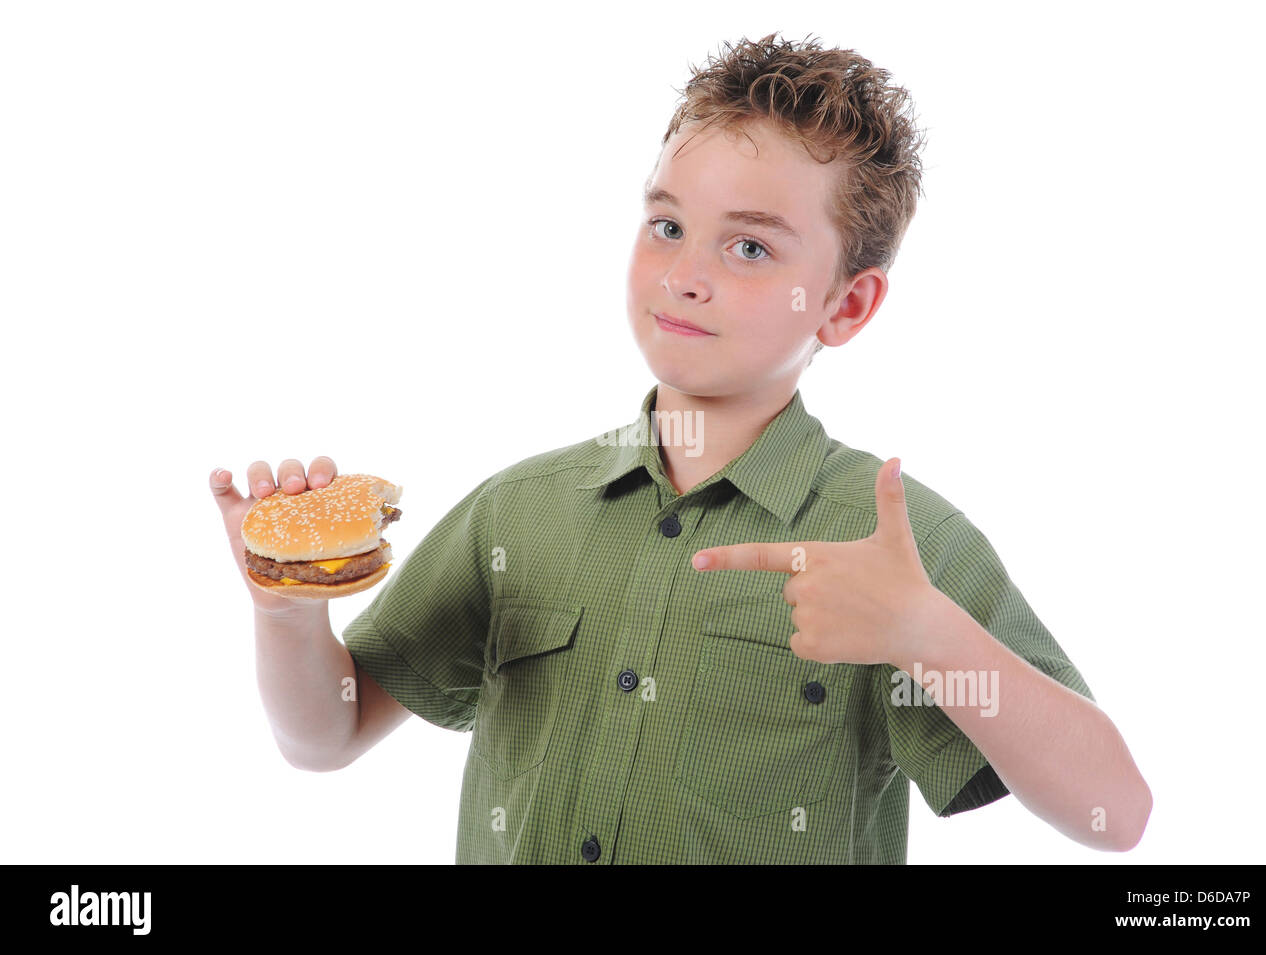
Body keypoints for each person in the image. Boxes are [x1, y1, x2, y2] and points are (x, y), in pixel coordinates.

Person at [211, 32, 1151, 863]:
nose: (686, 276)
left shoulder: (890, 544)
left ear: (845, 305)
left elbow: (1116, 814)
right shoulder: (518, 511)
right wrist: (285, 611)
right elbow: (324, 738)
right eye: (667, 226)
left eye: (750, 250)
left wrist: (925, 631)